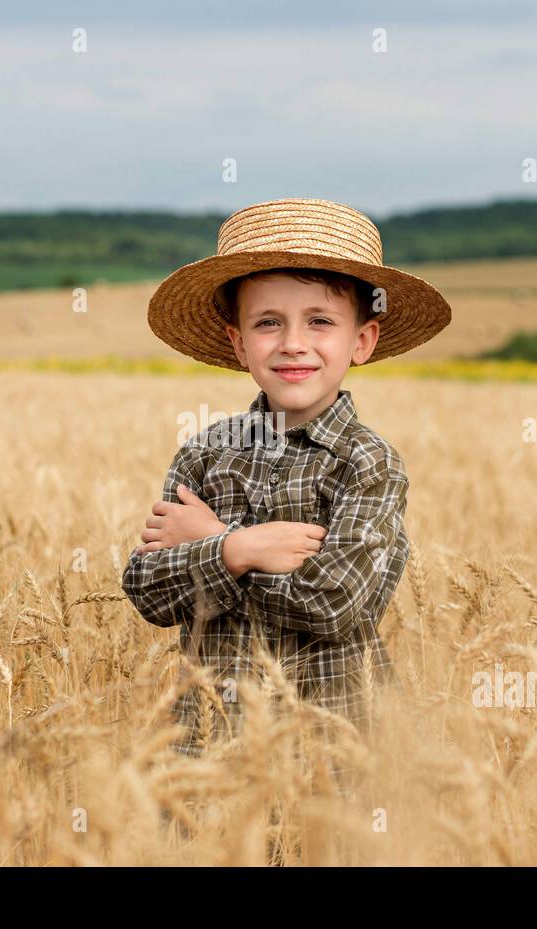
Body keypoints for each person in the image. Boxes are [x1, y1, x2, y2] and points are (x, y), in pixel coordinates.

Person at [122, 197, 453, 797]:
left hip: (333, 750)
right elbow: (147, 589)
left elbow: (333, 605)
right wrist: (242, 548)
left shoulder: (368, 464)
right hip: (208, 744)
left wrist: (210, 546)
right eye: (267, 322)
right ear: (238, 341)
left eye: (320, 322)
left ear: (363, 339)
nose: (293, 343)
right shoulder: (204, 454)